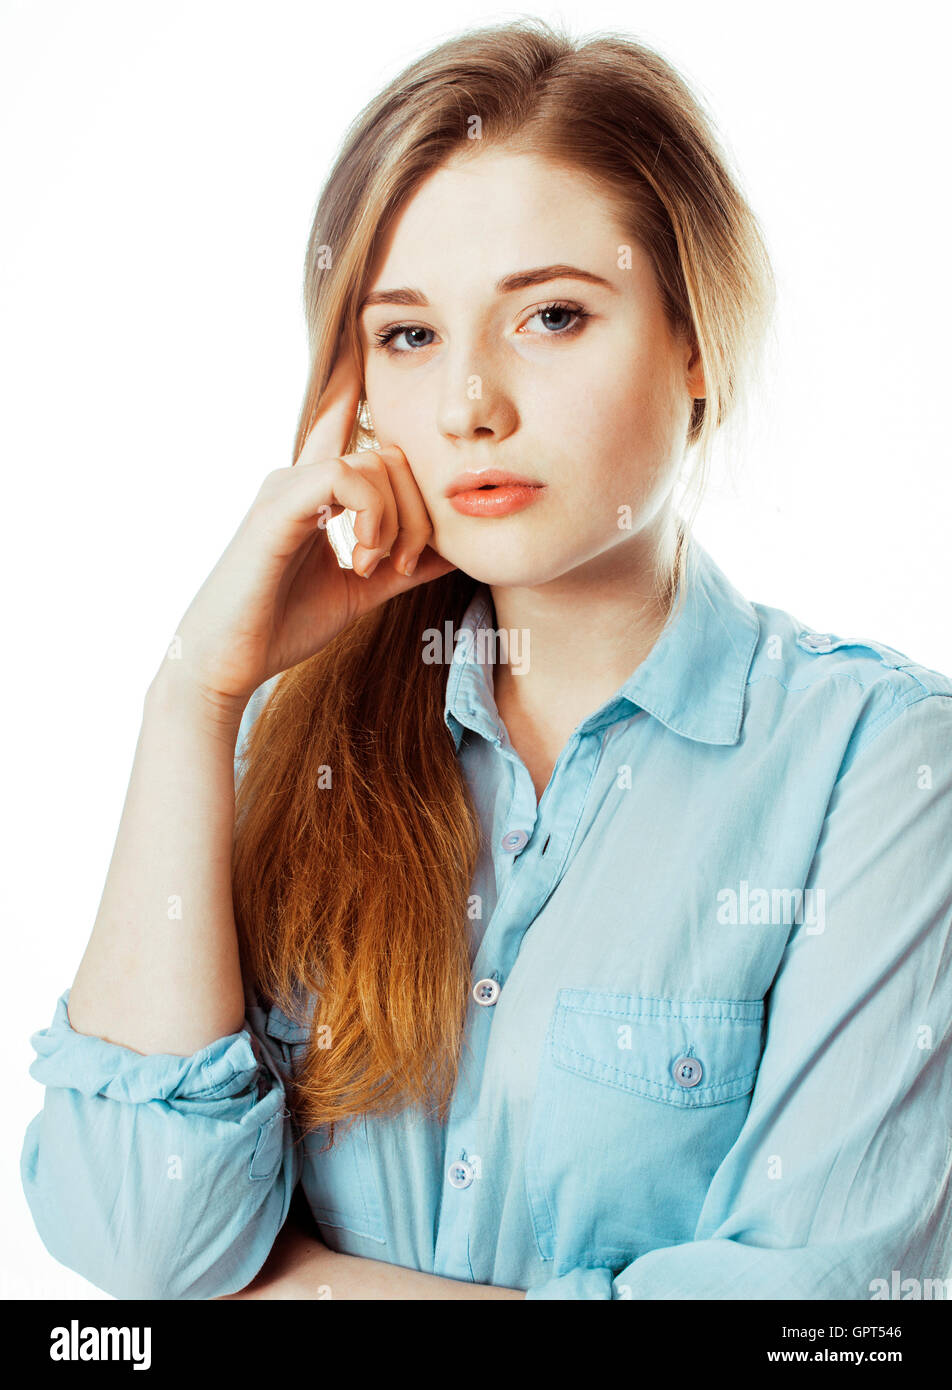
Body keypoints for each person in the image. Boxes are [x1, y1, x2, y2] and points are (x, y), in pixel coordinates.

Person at [21, 17, 952, 1301]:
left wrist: (279, 1286)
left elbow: (819, 1321)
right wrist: (194, 692)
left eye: (551, 316)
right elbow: (137, 1240)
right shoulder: (286, 745)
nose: (469, 404)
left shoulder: (877, 764)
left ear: (695, 345)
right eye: (407, 336)